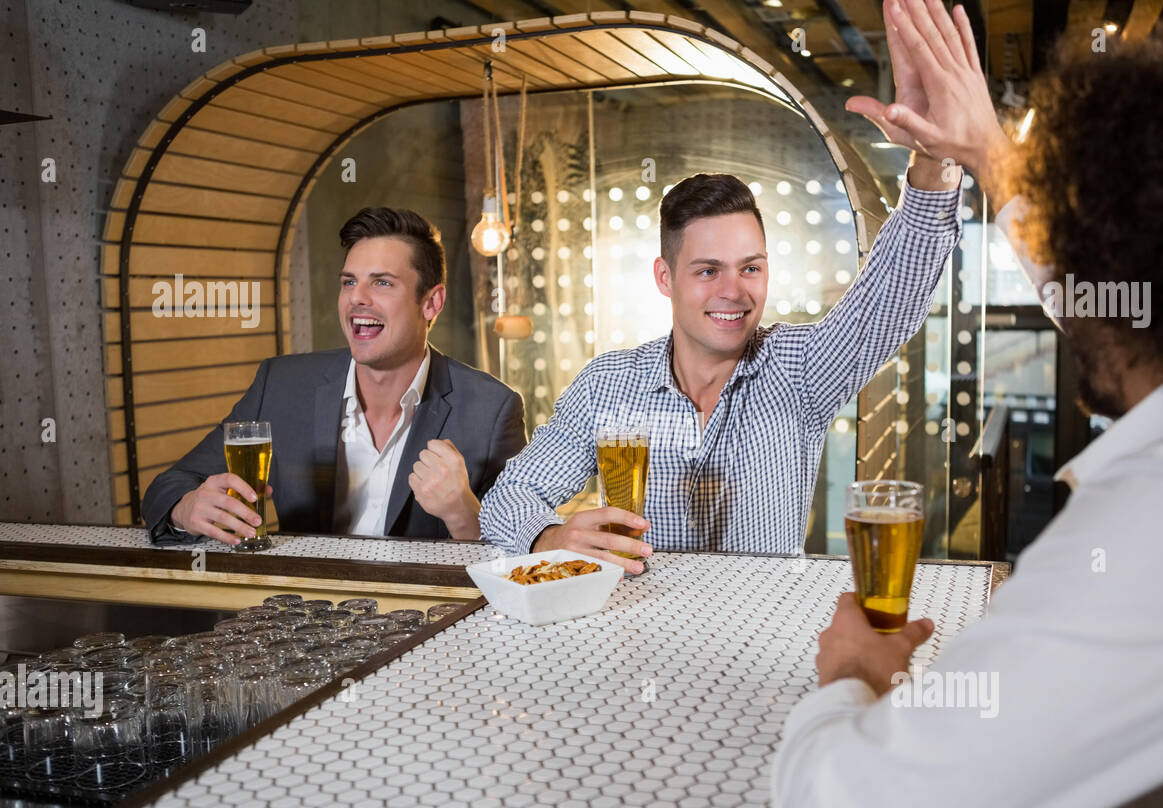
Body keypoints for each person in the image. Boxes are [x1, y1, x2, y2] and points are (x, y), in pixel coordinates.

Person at [774, 0, 1163, 808]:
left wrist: (853, 679)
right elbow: (1102, 300)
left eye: (1073, 223)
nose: (1061, 261)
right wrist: (984, 148)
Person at [480, 158, 962, 573]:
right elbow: (509, 498)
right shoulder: (608, 384)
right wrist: (547, 539)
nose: (734, 291)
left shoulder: (799, 368)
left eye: (750, 267)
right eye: (709, 270)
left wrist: (934, 164)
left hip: (766, 643)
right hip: (638, 636)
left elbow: (892, 297)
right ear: (665, 277)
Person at [143, 207, 526, 546]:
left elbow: (523, 551)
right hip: (305, 617)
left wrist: (463, 514)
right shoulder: (282, 385)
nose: (356, 297)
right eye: (348, 282)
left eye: (382, 282)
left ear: (431, 302)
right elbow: (169, 485)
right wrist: (188, 506)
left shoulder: (491, 410)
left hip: (427, 618)